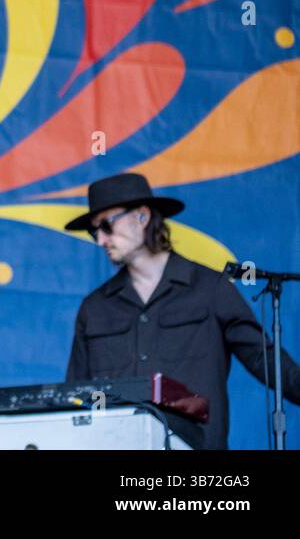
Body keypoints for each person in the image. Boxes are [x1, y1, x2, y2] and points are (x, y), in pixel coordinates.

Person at [65, 172, 300, 449]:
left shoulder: (211, 289)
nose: (100, 240)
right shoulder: (94, 308)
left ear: (142, 216)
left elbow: (266, 361)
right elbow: (76, 397)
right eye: (95, 231)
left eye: (106, 225)